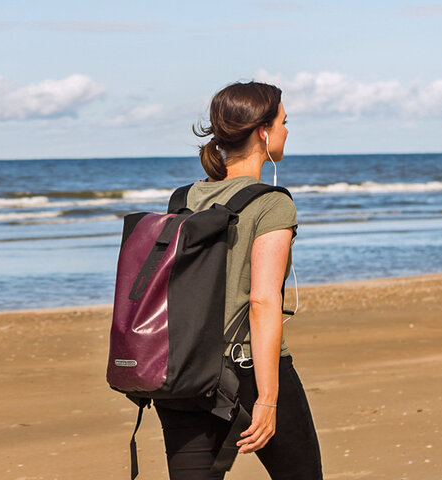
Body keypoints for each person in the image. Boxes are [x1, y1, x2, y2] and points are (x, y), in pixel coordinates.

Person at [151, 81, 322, 479]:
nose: (286, 130)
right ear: (263, 131)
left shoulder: (184, 200)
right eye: (284, 121)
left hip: (183, 370)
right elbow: (263, 301)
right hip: (245, 369)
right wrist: (267, 399)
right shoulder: (271, 203)